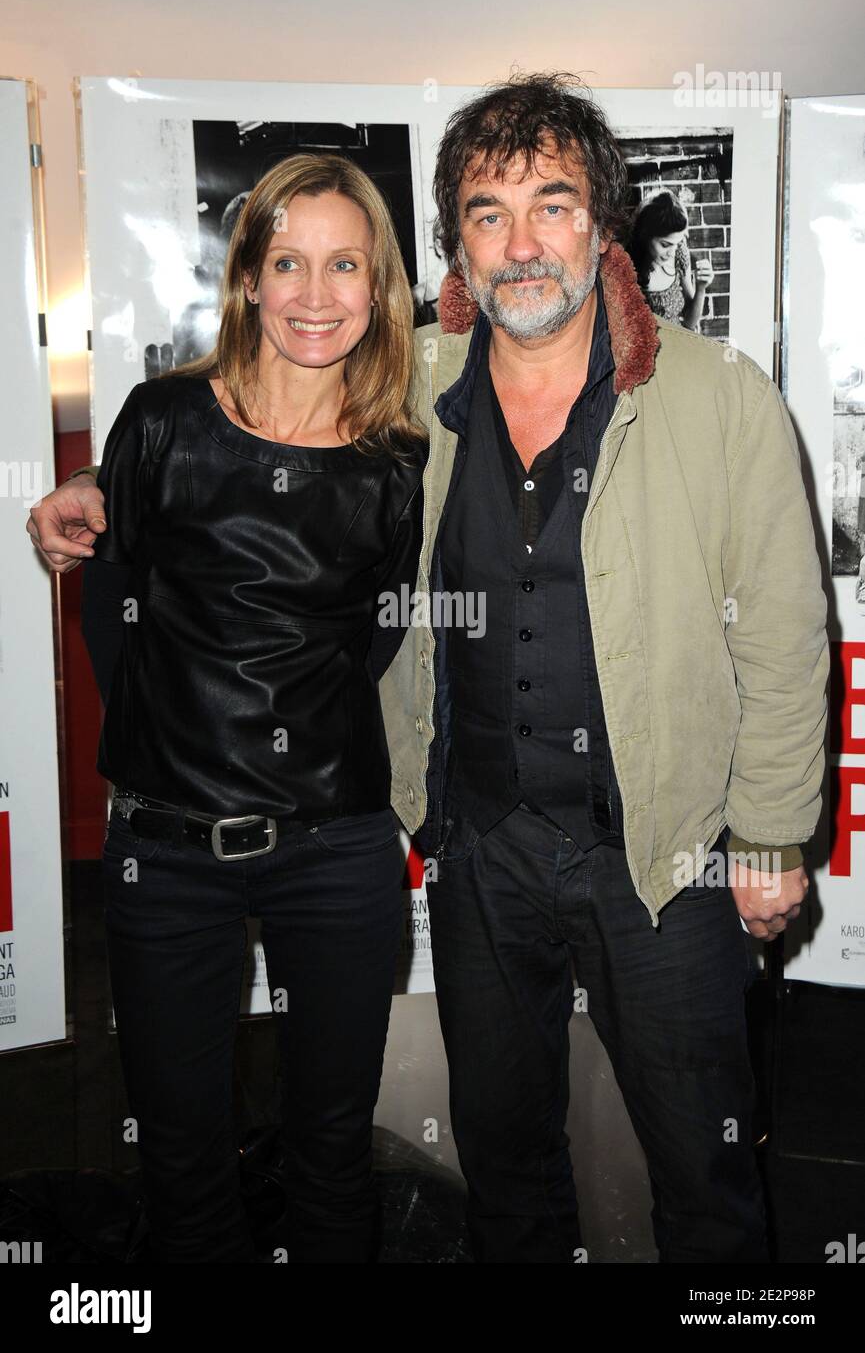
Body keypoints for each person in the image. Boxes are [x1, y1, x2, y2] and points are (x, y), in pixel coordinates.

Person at [31, 72, 830, 1266]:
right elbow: (254, 424)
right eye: (489, 213)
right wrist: (100, 488)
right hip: (479, 849)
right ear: (453, 240)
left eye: (552, 206)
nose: (522, 244)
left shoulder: (717, 399)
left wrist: (769, 836)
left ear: (601, 222)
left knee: (702, 1174)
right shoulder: (405, 383)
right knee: (502, 1160)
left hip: (665, 851)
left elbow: (778, 624)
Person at [33, 152, 426, 1263]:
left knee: (331, 1153)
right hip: (168, 854)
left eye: (343, 264)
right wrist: (172, 754)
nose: (314, 292)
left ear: (378, 283)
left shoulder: (398, 461)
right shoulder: (160, 421)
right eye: (287, 261)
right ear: (247, 275)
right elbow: (112, 606)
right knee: (182, 1160)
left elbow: (374, 635)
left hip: (337, 848)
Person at [626, 187, 714, 330]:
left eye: (677, 243)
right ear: (645, 236)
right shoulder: (626, 266)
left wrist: (701, 288)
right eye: (665, 244)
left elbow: (689, 323)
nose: (672, 252)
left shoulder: (679, 253)